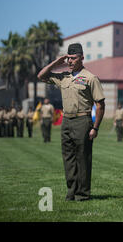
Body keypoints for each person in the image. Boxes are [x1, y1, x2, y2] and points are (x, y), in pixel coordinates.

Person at [38, 42, 105, 201]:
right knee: (68, 158)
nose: (70, 61)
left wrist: (95, 128)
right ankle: (71, 192)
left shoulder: (90, 78)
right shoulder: (64, 77)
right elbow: (41, 76)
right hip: (66, 121)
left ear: (82, 58)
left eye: (73, 58)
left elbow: (100, 105)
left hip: (83, 120)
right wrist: (57, 62)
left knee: (83, 158)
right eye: (68, 58)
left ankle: (82, 194)